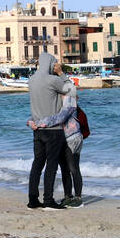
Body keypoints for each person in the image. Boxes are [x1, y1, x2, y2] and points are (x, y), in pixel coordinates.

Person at [26, 51, 72, 210]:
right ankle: (48, 200)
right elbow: (70, 89)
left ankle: (32, 200)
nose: (55, 65)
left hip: (37, 128)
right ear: (50, 63)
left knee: (37, 164)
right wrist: (61, 73)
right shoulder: (52, 80)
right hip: (54, 129)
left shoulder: (32, 80)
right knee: (51, 165)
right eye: (54, 63)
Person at [29, 85, 87, 206]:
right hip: (58, 138)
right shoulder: (55, 102)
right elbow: (42, 114)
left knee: (73, 168)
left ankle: (78, 197)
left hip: (72, 139)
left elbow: (61, 117)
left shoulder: (70, 101)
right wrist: (31, 121)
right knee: (64, 169)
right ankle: (68, 196)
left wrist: (39, 123)